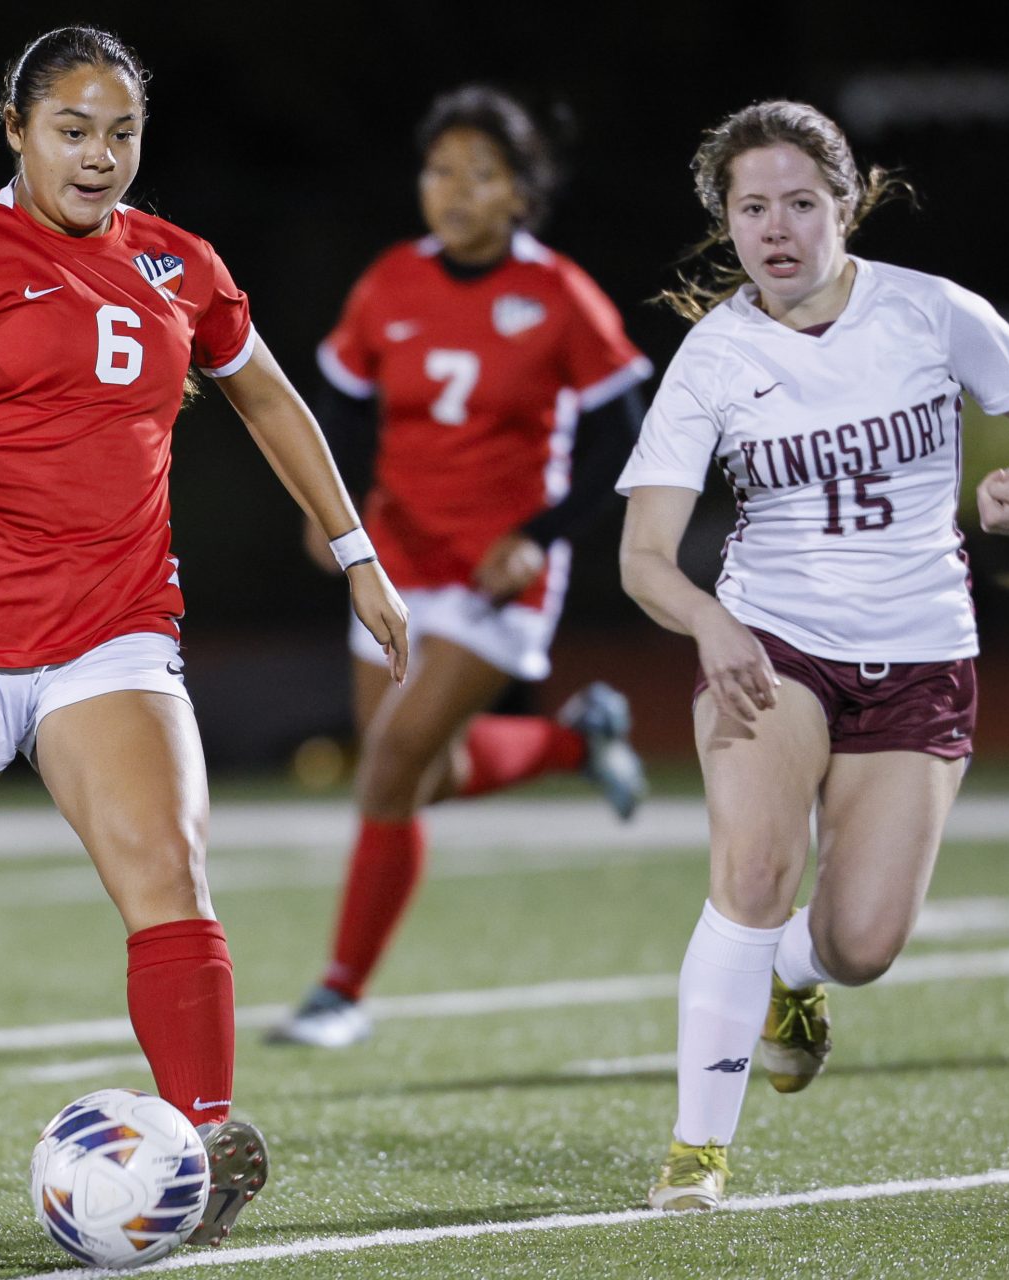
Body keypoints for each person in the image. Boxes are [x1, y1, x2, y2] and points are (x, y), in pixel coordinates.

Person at [0, 26, 407, 1252]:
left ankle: (207, 1143)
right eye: (72, 128)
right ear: (17, 130)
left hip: (112, 627)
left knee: (169, 868)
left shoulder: (178, 263)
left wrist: (356, 549)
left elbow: (265, 391)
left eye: (121, 132)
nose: (100, 155)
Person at [617, 99, 1009, 1209]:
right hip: (773, 647)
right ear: (724, 223)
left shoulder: (931, 312)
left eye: (800, 203)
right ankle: (697, 1151)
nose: (776, 228)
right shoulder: (713, 357)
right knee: (755, 873)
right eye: (751, 208)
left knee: (864, 940)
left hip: (925, 653)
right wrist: (710, 618)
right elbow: (644, 557)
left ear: (847, 205)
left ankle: (795, 978)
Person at [267, 85, 654, 1049]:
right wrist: (338, 516)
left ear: (522, 192)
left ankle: (341, 991)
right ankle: (574, 740)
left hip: (498, 573)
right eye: (442, 170)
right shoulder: (389, 282)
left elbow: (623, 440)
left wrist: (543, 531)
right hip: (394, 560)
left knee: (390, 766)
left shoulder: (561, 293)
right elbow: (341, 410)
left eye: (483, 173)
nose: (457, 191)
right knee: (416, 777)